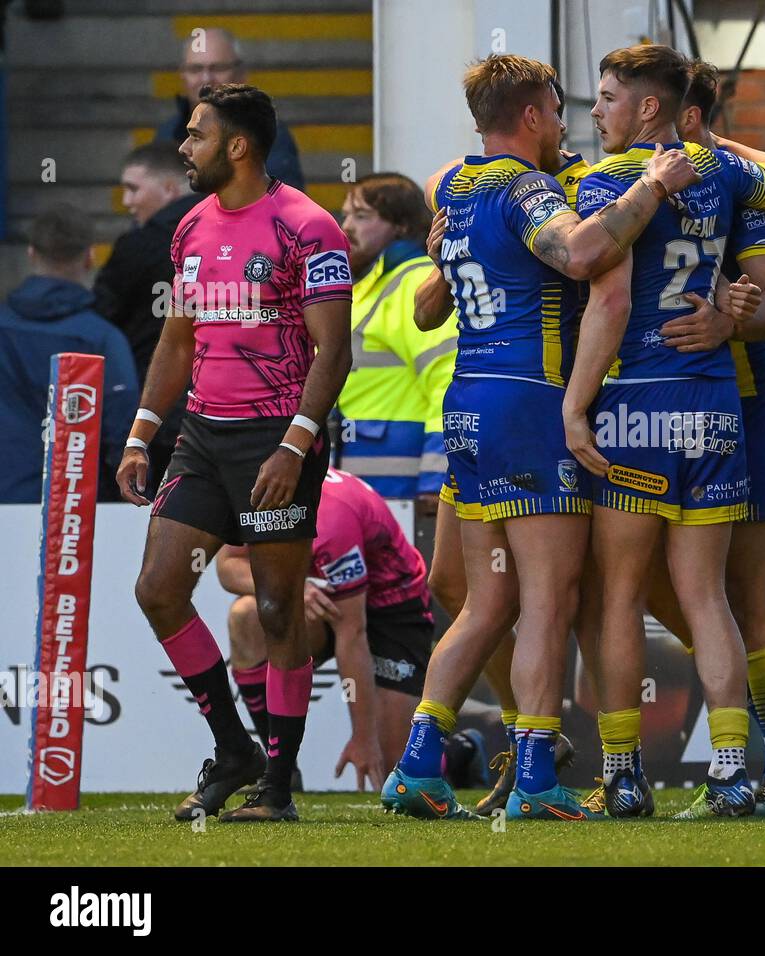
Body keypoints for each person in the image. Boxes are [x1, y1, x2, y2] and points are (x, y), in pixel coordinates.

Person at [380, 54, 702, 822]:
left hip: (467, 408)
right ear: (531, 116)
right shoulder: (525, 186)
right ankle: (534, 779)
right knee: (549, 599)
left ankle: (419, 768)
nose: (566, 126)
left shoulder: (451, 184)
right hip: (529, 408)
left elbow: (439, 300)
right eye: (558, 112)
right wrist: (653, 186)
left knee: (487, 603)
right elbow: (584, 253)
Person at [563, 43, 765, 819]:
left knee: (626, 597)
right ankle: (735, 770)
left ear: (659, 109)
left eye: (609, 97)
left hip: (655, 400)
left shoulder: (613, 180)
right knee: (707, 596)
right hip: (713, 411)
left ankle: (626, 774)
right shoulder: (732, 180)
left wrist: (577, 403)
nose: (597, 110)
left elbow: (604, 293)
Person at [118, 83, 353, 823]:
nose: (184, 148)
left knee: (279, 609)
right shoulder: (187, 228)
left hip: (277, 439)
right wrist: (142, 432)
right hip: (202, 437)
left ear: (239, 146)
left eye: (196, 135)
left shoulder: (307, 227)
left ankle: (277, 787)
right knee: (159, 589)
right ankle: (235, 747)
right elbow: (178, 340)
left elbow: (334, 351)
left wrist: (295, 446)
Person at [664, 58, 765, 817]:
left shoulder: (733, 180)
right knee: (681, 593)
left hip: (745, 409)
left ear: (685, 116)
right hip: (656, 413)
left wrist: (730, 320)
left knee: (743, 598)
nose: (606, 114)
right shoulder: (629, 182)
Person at [215, 467, 446, 790]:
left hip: (393, 608)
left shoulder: (333, 520)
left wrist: (363, 737)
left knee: (397, 767)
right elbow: (227, 567)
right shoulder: (256, 490)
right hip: (324, 594)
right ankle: (280, 769)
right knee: (246, 617)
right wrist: (294, 590)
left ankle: (464, 752)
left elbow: (352, 632)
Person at [0, 204, 137, 504]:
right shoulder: (104, 339)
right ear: (90, 257)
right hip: (74, 511)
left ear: (31, 253)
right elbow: (123, 432)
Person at [337, 173, 455, 503]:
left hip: (399, 486)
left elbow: (446, 378)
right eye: (345, 214)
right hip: (363, 479)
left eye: (361, 216)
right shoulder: (366, 285)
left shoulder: (415, 282)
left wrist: (437, 477)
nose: (346, 226)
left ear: (401, 226)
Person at [93, 142, 202, 494]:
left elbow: (102, 319)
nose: (127, 202)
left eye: (133, 188)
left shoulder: (138, 247)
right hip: (216, 404)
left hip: (154, 409)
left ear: (169, 188)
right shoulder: (226, 235)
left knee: (153, 514)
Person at [153, 27, 304, 190]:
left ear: (241, 74)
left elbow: (283, 205)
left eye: (218, 68)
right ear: (182, 75)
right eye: (195, 69)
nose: (206, 79)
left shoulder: (267, 133)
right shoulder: (167, 134)